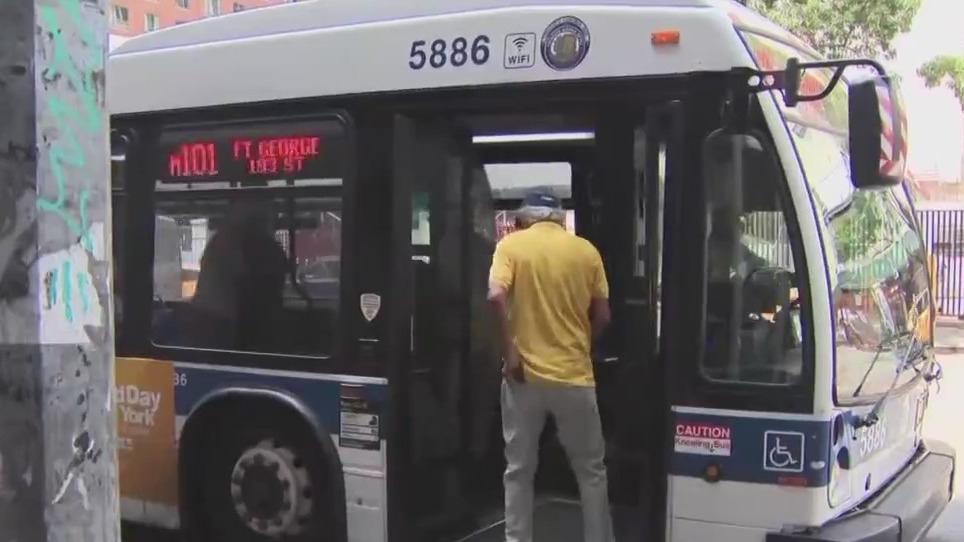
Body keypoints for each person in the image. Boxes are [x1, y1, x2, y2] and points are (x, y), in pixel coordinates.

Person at [487, 190, 613, 542]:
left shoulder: (510, 247)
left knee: (519, 470)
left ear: (523, 219)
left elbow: (495, 296)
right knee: (591, 472)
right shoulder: (586, 251)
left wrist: (510, 351)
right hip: (574, 376)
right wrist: (583, 343)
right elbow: (602, 314)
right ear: (558, 218)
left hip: (522, 377)